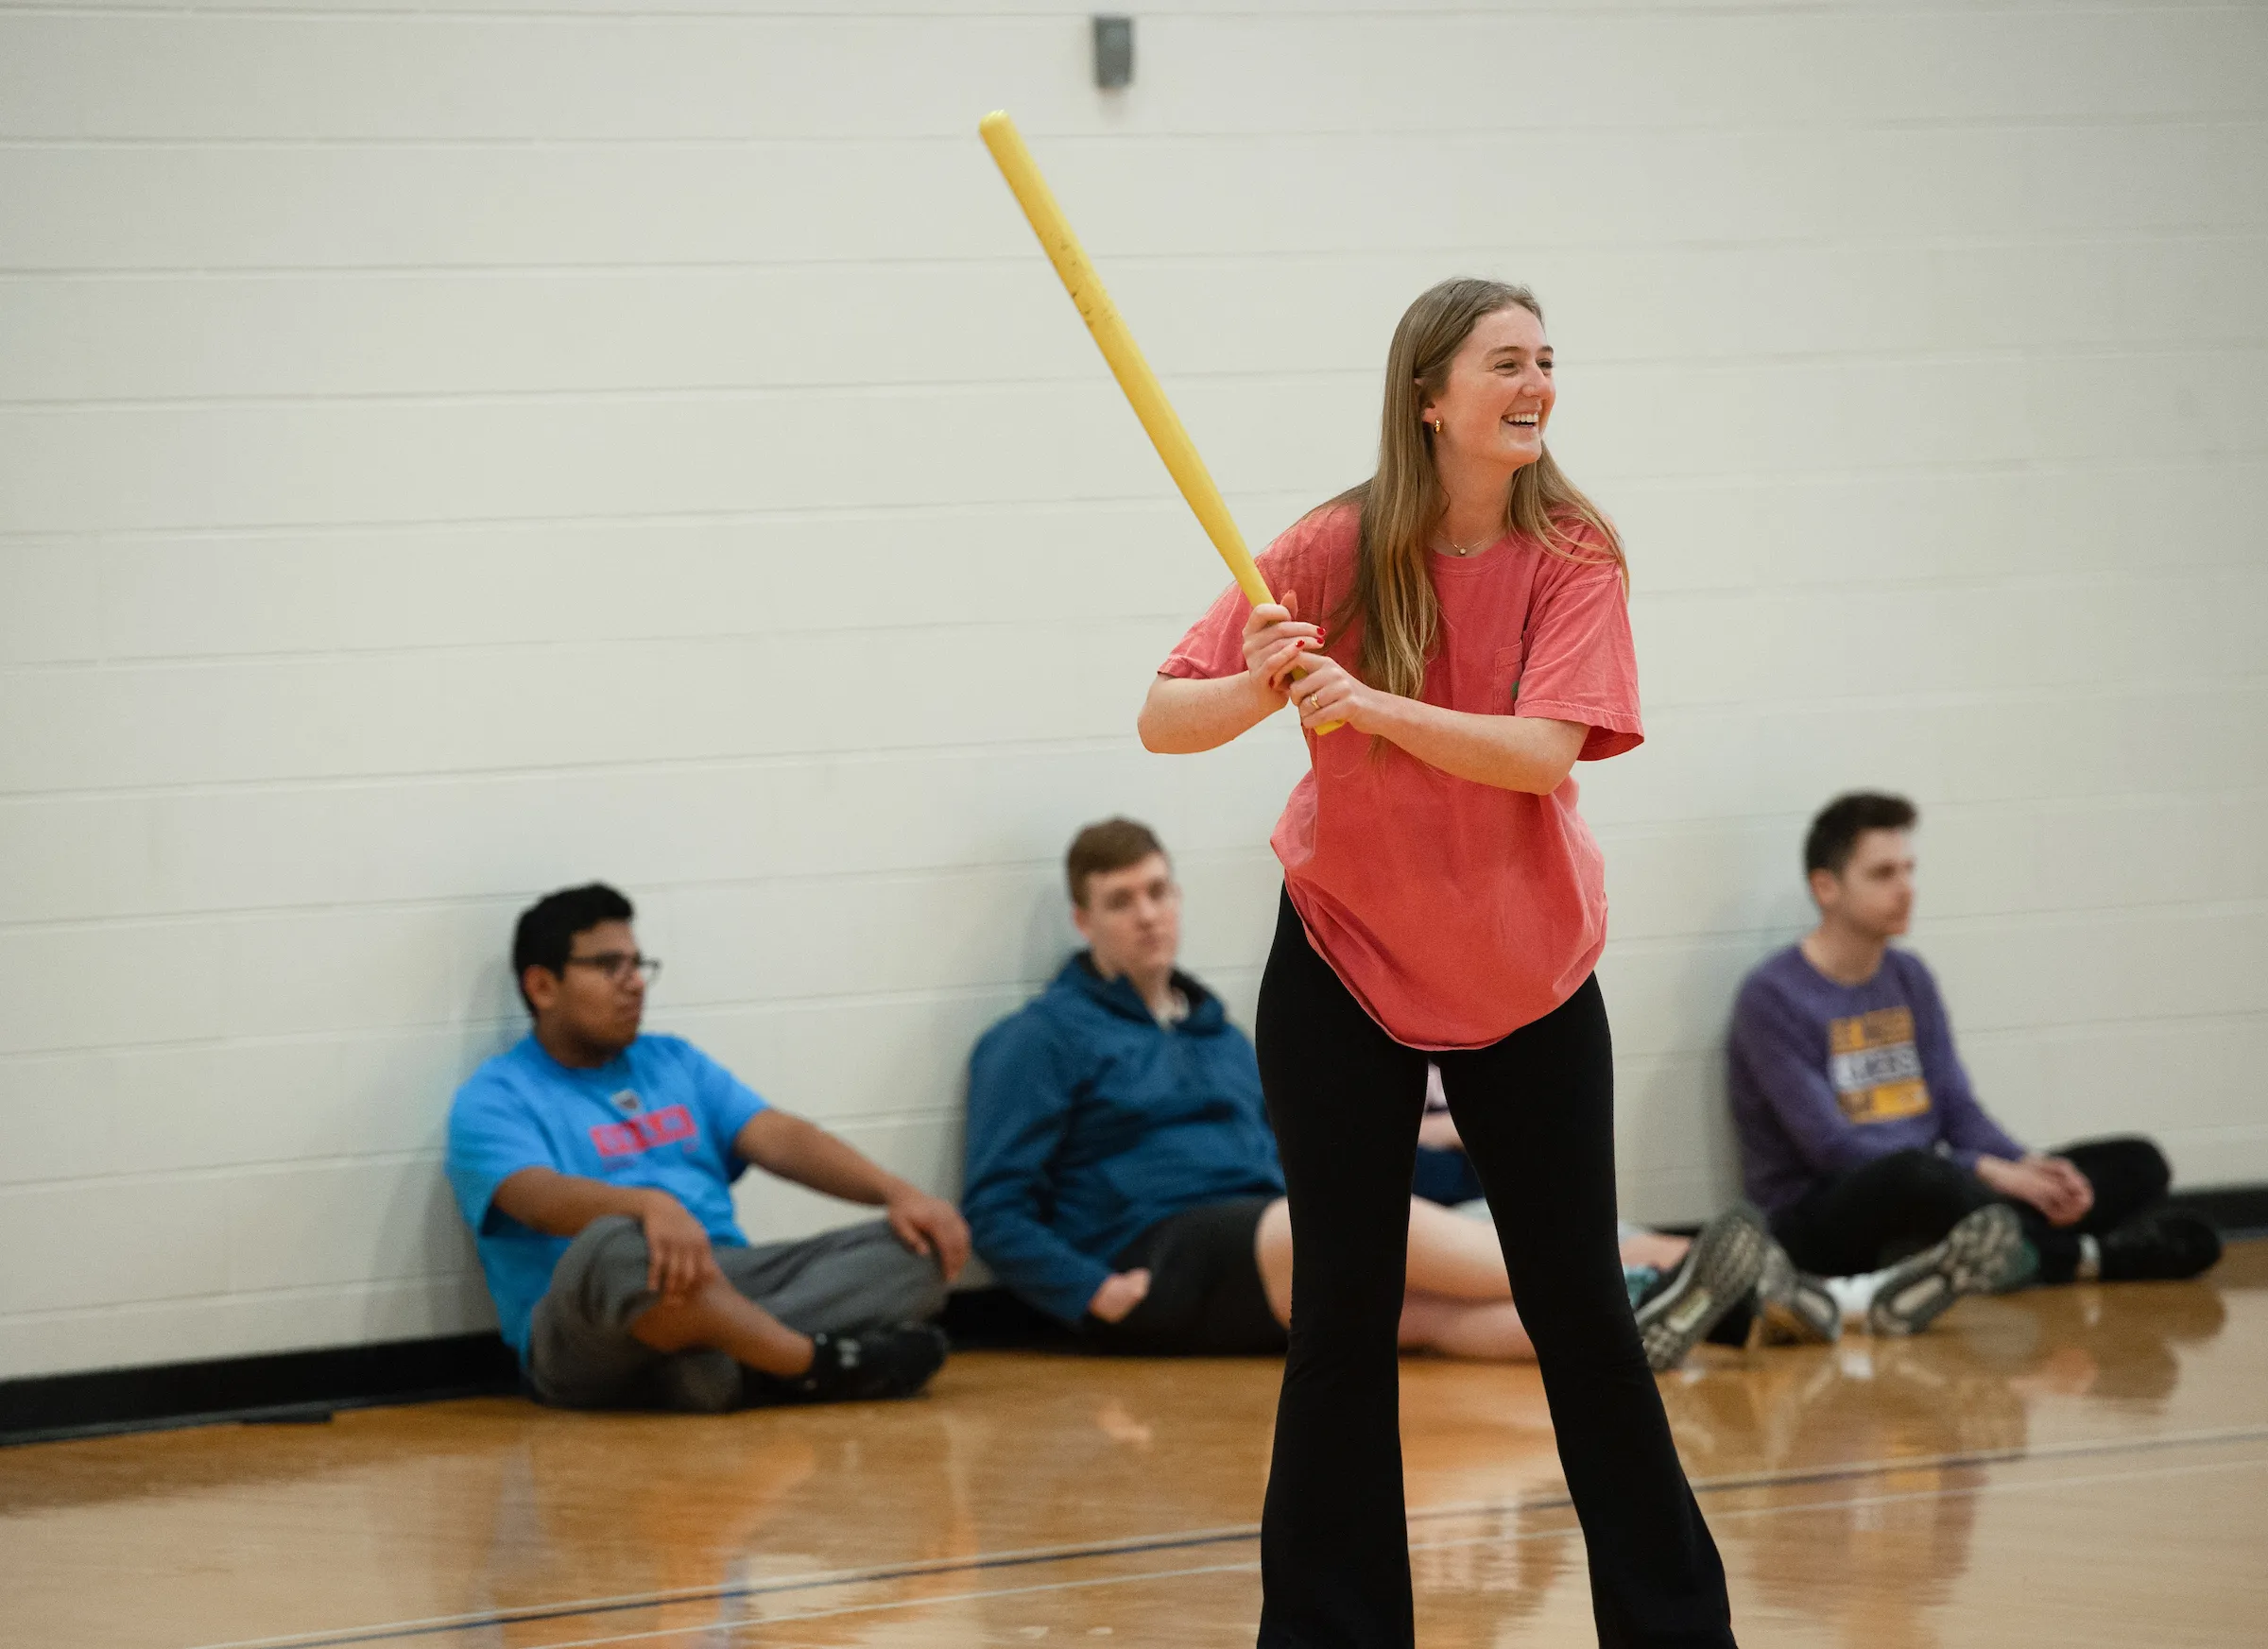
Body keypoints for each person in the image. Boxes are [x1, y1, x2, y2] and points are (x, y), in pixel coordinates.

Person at [1138, 279, 1735, 1647]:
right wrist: (1264, 683)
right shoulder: (1336, 543)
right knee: (1343, 1318)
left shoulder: (1577, 555)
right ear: (1432, 397)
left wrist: (1375, 706)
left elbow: (1543, 751)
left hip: (1526, 974)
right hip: (1343, 959)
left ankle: (1675, 1629)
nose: (1536, 384)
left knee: (1582, 1315)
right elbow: (1164, 715)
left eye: (1546, 362)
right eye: (1507, 363)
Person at [965, 819, 1826, 1371]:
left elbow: (1299, 1148)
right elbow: (996, 1204)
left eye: (1158, 891)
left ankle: (1671, 1322)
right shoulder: (1037, 1040)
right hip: (1166, 1256)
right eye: (1120, 902)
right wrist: (1088, 1291)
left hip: (1266, 1232)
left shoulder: (1221, 1034)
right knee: (1349, 1222)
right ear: (1083, 921)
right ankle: (1632, 1285)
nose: (1147, 915)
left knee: (1424, 1318)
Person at [445, 883, 971, 1413]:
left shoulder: (673, 1062)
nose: (634, 984)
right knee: (614, 1246)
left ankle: (723, 1365)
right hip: (592, 1325)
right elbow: (537, 1199)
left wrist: (898, 1192)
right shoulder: (495, 1097)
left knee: (918, 1250)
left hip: (722, 1280)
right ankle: (809, 1363)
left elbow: (778, 1138)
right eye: (609, 966)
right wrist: (648, 1206)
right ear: (541, 986)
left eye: (638, 964)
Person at [1729, 792, 2222, 1307]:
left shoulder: (1909, 976)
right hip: (1828, 1212)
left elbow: (1957, 1108)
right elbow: (1833, 1150)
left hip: (1948, 1185)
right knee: (1918, 1176)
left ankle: (1951, 1255)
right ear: (1825, 887)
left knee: (2138, 1162)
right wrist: (1985, 1171)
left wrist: (2026, 1166)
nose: (1906, 890)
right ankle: (2087, 1257)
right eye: (1883, 874)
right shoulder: (1771, 996)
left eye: (1908, 871)